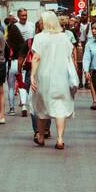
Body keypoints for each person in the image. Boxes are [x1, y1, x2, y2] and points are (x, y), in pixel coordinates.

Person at [29, 10, 74, 149]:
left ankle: (41, 137)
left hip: (44, 76)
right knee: (60, 107)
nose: (40, 23)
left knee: (41, 107)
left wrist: (32, 75)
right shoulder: (64, 37)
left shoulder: (39, 38)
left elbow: (36, 57)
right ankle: (60, 139)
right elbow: (70, 57)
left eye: (41, 20)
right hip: (61, 77)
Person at [4, 15, 26, 115]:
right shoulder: (22, 42)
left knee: (11, 87)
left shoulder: (7, 42)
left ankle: (12, 109)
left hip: (10, 64)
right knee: (21, 85)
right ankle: (24, 105)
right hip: (20, 63)